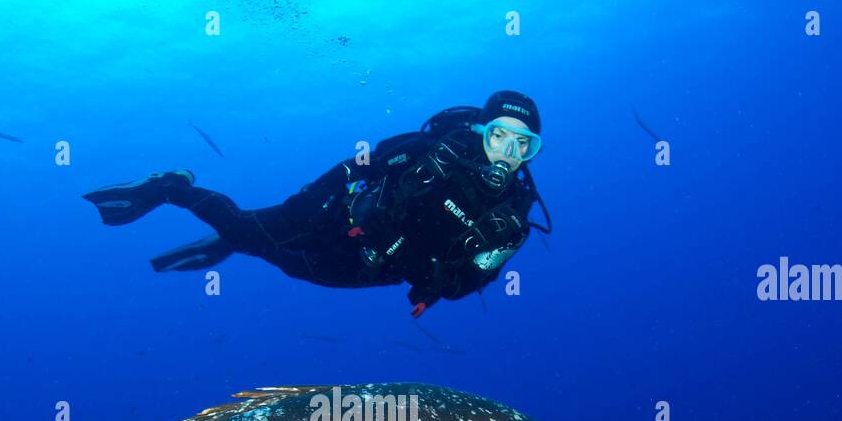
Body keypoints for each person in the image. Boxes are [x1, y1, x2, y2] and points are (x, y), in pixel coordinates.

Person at [81, 90, 552, 317]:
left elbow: (472, 278)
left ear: (532, 151)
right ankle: (170, 186)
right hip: (336, 217)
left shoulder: (511, 218)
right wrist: (313, 196)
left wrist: (439, 284)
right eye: (499, 137)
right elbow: (360, 164)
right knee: (251, 230)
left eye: (522, 145)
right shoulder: (434, 151)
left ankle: (233, 243)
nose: (507, 154)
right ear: (480, 132)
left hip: (367, 271)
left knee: (282, 261)